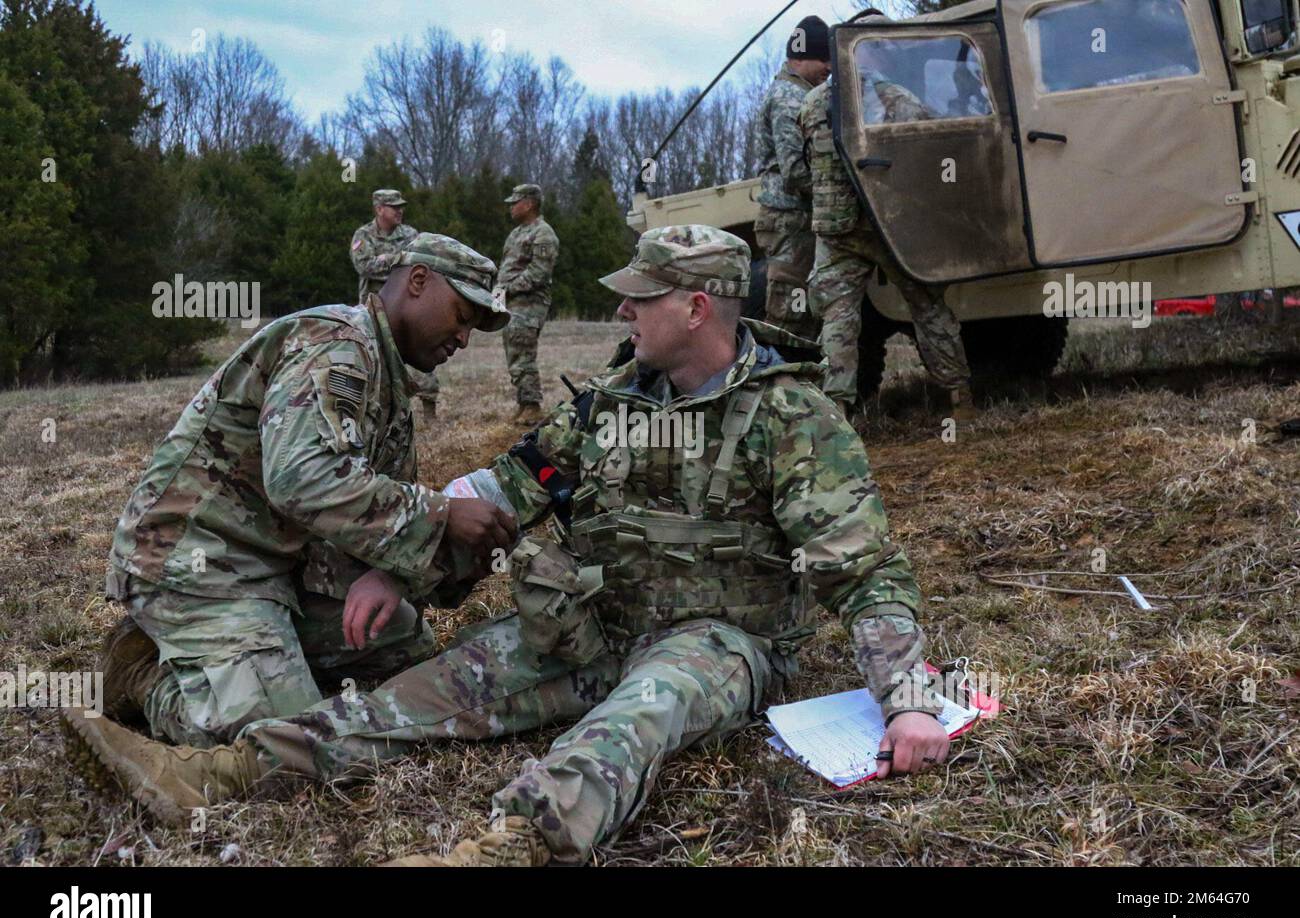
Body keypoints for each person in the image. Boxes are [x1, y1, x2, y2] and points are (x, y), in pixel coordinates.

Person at [64, 225, 950, 867]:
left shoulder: (792, 417)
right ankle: (219, 772)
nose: (621, 309)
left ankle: (508, 845)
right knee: (413, 695)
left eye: (640, 297)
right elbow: (507, 488)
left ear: (695, 305)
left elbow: (861, 565)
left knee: (629, 727)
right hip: (585, 624)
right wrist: (394, 564)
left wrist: (908, 698)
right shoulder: (608, 405)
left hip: (717, 640)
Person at [94, 233, 517, 749]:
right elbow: (301, 479)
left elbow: (361, 506)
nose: (464, 338)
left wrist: (394, 573)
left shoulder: (387, 383)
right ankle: (143, 674)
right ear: (419, 281)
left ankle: (245, 658)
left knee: (401, 650)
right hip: (199, 560)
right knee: (278, 734)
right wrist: (441, 514)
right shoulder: (336, 344)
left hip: (278, 563)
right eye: (461, 314)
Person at [800, 70, 975, 420]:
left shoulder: (812, 101)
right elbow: (927, 147)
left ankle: (836, 414)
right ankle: (960, 399)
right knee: (927, 305)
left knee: (837, 318)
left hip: (837, 227)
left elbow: (807, 165)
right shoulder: (896, 96)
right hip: (889, 223)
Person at [753, 15, 832, 354]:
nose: (829, 67)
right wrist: (839, 193)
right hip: (790, 221)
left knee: (804, 309)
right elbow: (796, 171)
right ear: (800, 58)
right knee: (789, 314)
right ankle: (776, 387)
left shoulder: (802, 93)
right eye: (822, 59)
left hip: (797, 219)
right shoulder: (790, 98)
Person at [350, 189, 440, 418]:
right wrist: (398, 262)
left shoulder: (411, 234)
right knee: (376, 360)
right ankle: (382, 412)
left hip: (407, 307)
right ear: (380, 209)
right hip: (373, 308)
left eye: (401, 206)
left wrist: (385, 259)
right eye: (394, 207)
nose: (400, 211)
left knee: (417, 352)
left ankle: (429, 409)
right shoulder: (363, 235)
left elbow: (419, 265)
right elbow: (363, 267)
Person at [498, 183, 560, 424]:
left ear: (530, 203)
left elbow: (539, 272)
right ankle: (524, 403)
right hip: (512, 303)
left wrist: (508, 289)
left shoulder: (543, 233)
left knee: (523, 353)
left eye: (516, 201)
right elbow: (507, 268)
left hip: (529, 303)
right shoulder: (516, 234)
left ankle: (533, 406)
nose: (511, 207)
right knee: (514, 352)